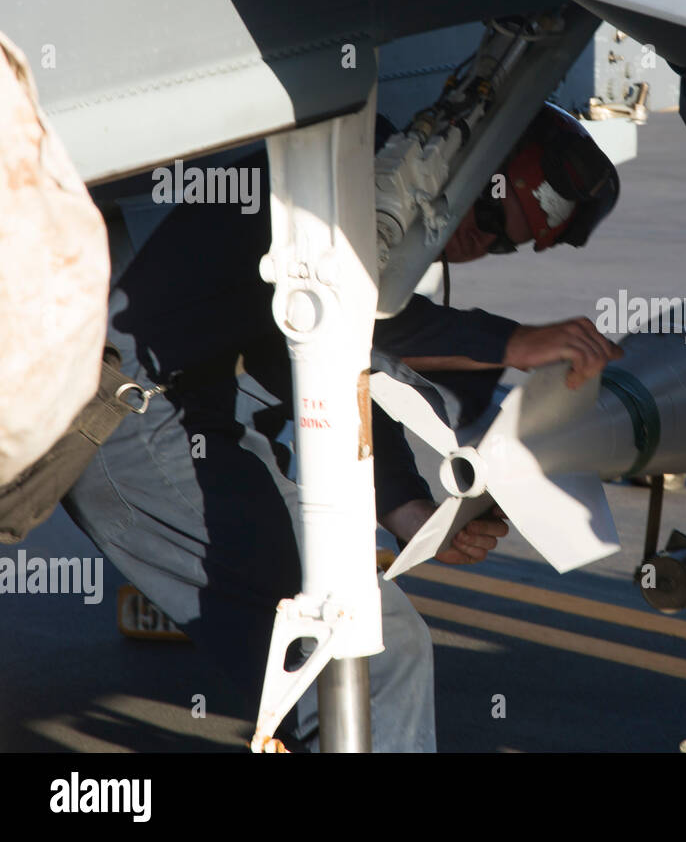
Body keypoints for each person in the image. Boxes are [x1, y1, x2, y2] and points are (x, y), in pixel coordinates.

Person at [62, 102, 622, 751]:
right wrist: (512, 340)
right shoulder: (344, 174)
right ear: (474, 167)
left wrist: (410, 510)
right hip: (129, 417)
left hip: (181, 402)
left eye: (502, 242)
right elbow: (344, 312)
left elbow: (329, 363)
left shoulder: (367, 175)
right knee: (379, 651)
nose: (481, 243)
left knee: (351, 660)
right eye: (492, 217)